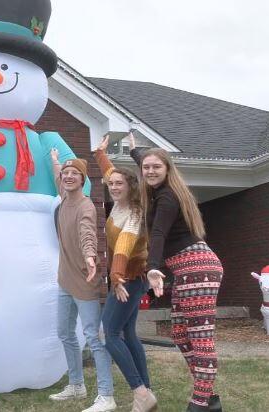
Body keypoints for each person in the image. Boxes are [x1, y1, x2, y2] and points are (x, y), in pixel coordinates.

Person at [130, 136, 223, 412]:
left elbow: (158, 233)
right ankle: (210, 398)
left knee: (200, 336)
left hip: (199, 269)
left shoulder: (167, 197)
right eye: (146, 167)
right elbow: (146, 161)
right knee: (181, 335)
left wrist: (153, 267)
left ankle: (199, 404)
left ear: (167, 168)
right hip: (187, 269)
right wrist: (136, 150)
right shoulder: (157, 185)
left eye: (156, 167)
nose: (150, 171)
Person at [93, 134, 161, 412]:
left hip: (130, 280)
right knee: (129, 333)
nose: (113, 186)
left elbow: (123, 247)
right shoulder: (118, 201)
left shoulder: (133, 213)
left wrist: (116, 277)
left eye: (119, 183)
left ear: (130, 186)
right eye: (111, 184)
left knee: (107, 333)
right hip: (131, 279)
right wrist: (100, 154)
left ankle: (140, 391)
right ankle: (147, 391)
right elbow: (111, 172)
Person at [48, 149, 116, 412]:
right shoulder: (64, 195)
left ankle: (106, 395)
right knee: (64, 333)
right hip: (64, 279)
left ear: (83, 179)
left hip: (85, 279)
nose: (67, 177)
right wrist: (56, 161)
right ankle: (77, 384)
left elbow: (88, 232)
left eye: (74, 174)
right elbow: (57, 175)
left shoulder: (85, 206)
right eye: (66, 174)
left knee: (93, 337)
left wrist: (90, 257)